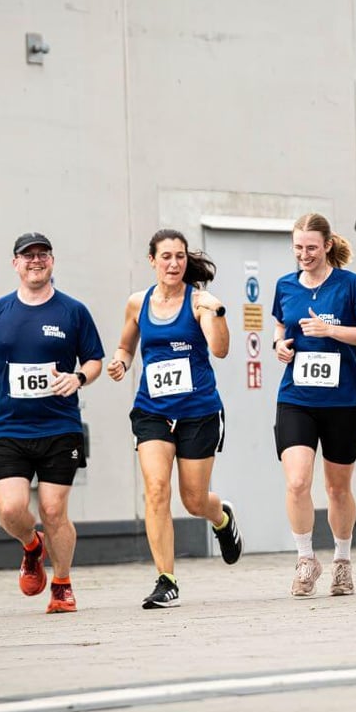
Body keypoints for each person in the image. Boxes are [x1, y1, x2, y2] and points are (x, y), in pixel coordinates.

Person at [0, 232, 104, 614]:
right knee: (11, 510)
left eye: (43, 255)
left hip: (60, 428)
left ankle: (61, 584)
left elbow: (94, 360)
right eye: (28, 256)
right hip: (10, 429)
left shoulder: (73, 311)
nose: (36, 261)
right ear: (15, 264)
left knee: (54, 510)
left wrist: (77, 378)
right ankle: (32, 545)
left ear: (52, 262)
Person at [106, 229, 242, 609]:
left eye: (180, 257)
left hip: (198, 410)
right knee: (156, 489)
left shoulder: (199, 302)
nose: (174, 264)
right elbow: (126, 346)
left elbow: (222, 350)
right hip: (152, 409)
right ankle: (166, 579)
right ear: (152, 260)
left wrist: (216, 313)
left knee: (194, 500)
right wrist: (120, 362)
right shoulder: (138, 302)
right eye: (166, 257)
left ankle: (222, 517)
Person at [272, 213, 356, 597]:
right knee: (297, 481)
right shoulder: (284, 286)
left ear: (327, 245)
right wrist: (279, 346)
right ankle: (305, 558)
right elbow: (280, 329)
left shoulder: (351, 285)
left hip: (342, 398)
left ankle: (342, 561)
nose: (304, 254)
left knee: (336, 489)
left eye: (311, 247)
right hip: (296, 396)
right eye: (298, 248)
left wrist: (330, 330)